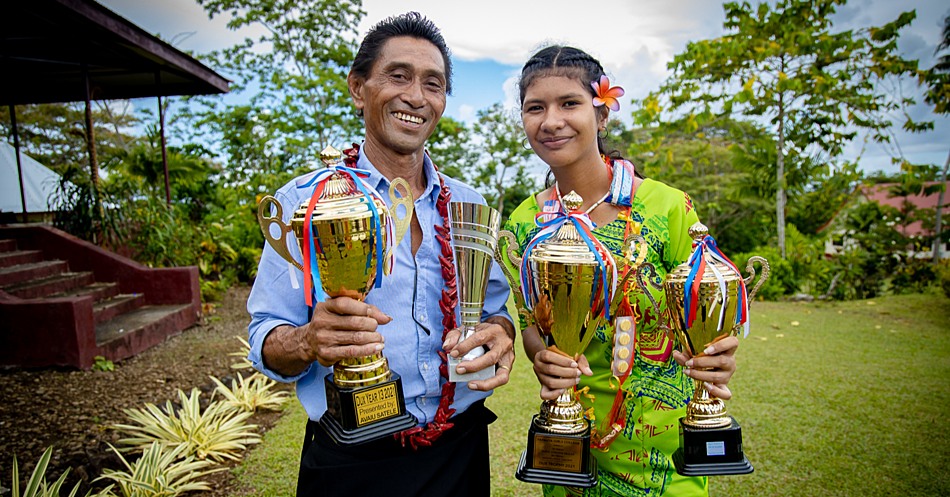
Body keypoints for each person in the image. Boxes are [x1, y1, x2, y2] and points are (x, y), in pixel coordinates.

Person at [246, 12, 515, 497]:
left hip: (461, 449)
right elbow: (265, 336)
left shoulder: (471, 206)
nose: (416, 96)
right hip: (351, 459)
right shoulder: (304, 205)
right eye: (398, 76)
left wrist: (500, 333)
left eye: (433, 84)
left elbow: (496, 313)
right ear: (358, 88)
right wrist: (308, 340)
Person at [498, 45, 739, 497]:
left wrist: (721, 350)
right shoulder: (525, 222)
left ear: (602, 114)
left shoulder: (667, 207)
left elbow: (714, 304)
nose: (551, 121)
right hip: (568, 448)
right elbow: (533, 325)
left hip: (665, 459)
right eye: (535, 108)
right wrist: (541, 356)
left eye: (569, 103)